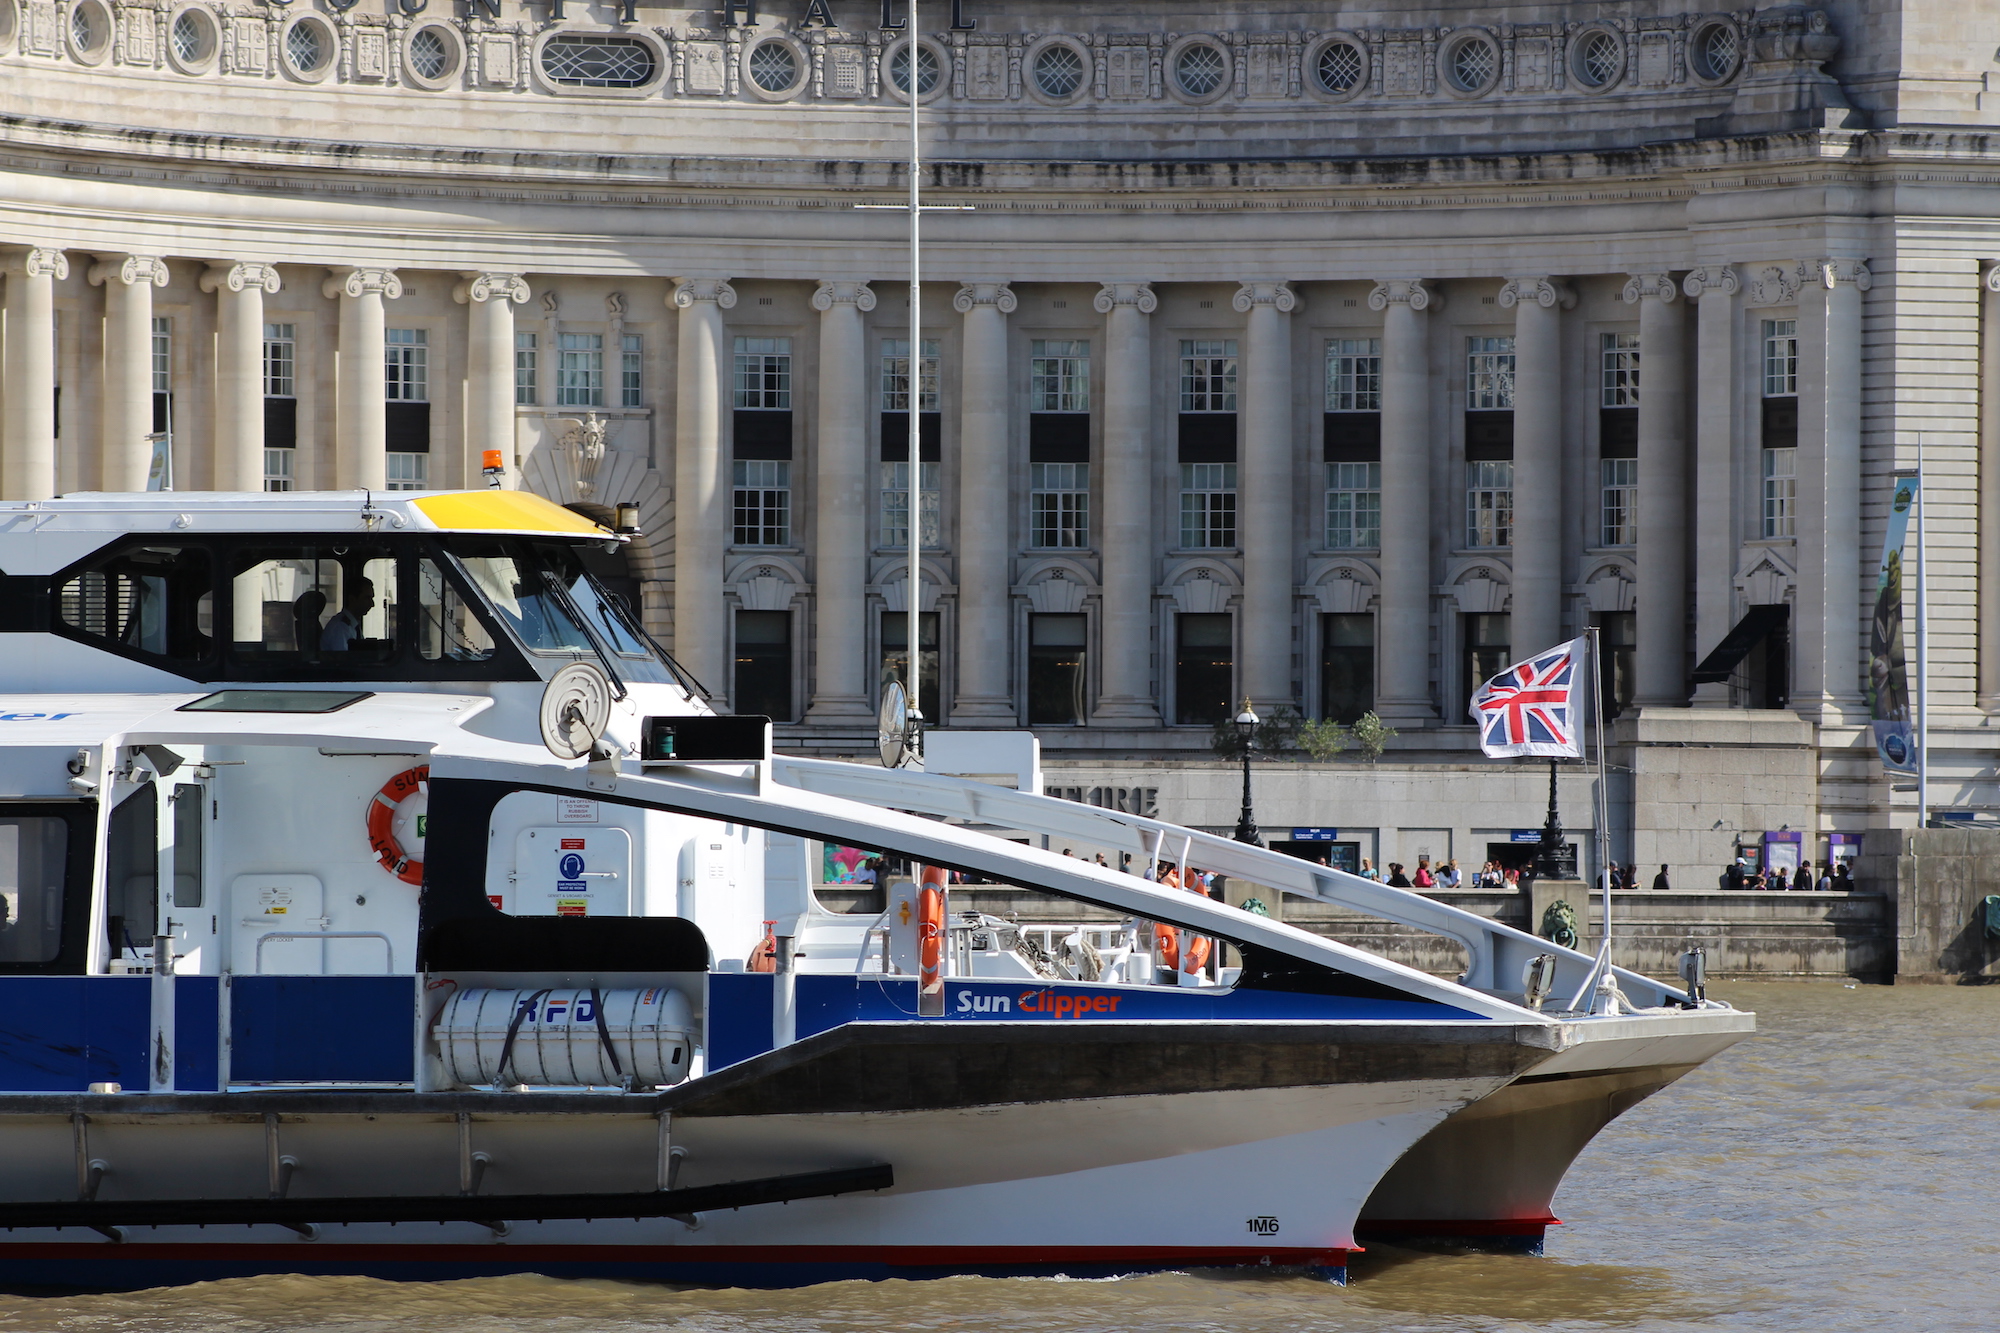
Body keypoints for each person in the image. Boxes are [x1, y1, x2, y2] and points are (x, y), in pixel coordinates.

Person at [320, 576, 376, 650]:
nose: (372, 604)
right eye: (367, 598)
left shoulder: (353, 626)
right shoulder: (340, 628)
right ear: (352, 599)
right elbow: (343, 657)